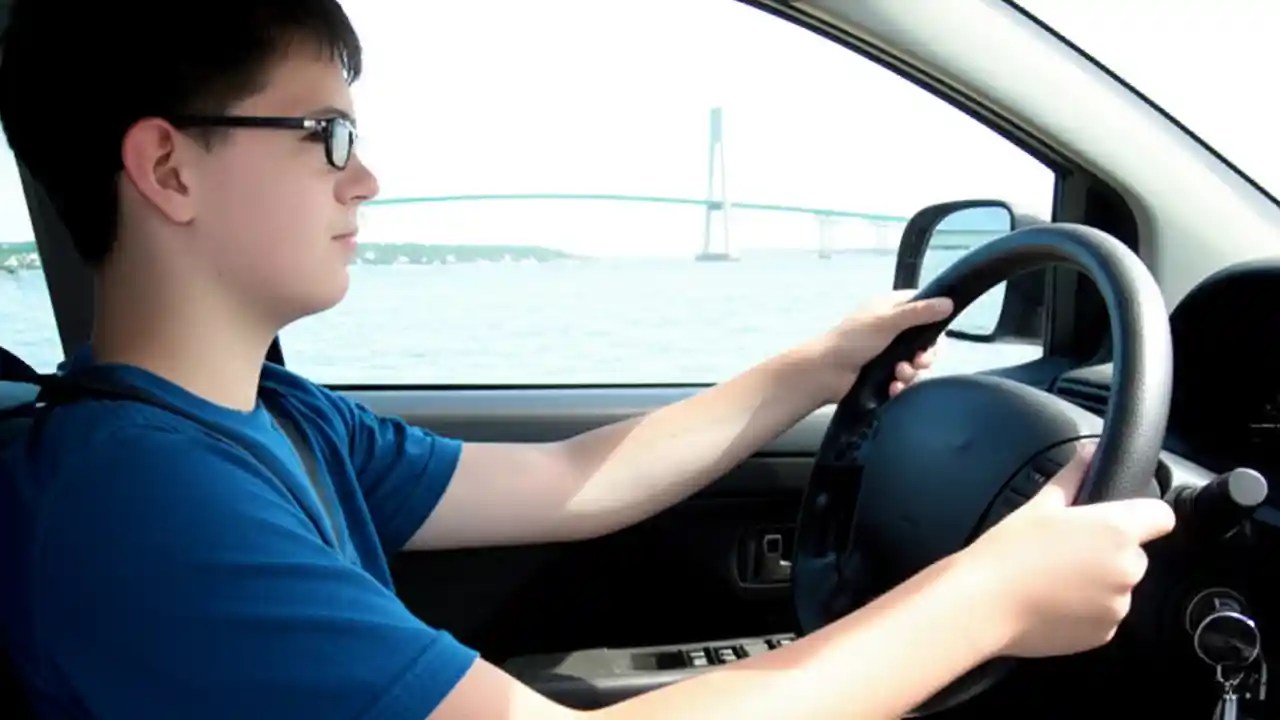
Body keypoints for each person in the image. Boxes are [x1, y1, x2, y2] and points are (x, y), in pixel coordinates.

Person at [0, 1, 1176, 718]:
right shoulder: (138, 502)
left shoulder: (278, 417)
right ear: (169, 170)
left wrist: (811, 369)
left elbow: (568, 480)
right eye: (328, 135)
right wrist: (988, 597)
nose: (366, 179)